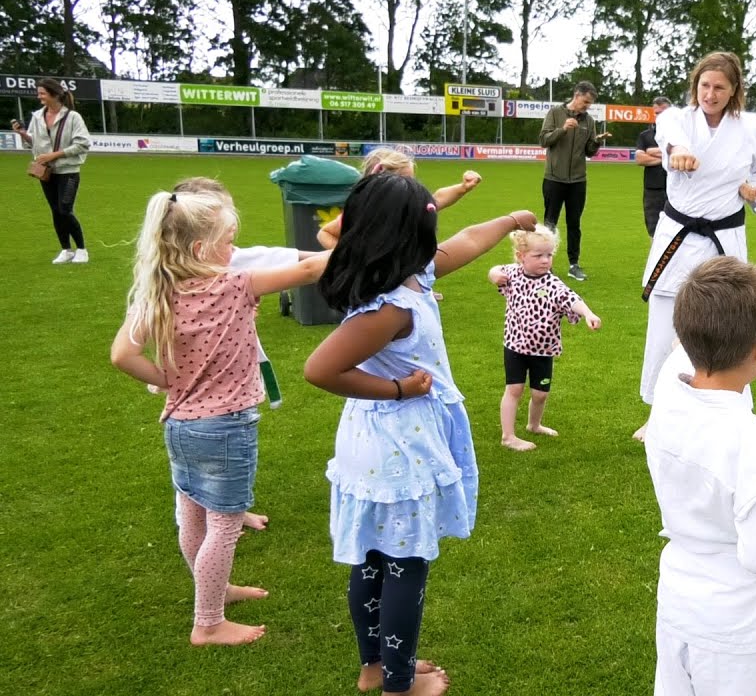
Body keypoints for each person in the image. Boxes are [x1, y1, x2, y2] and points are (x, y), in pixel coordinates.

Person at [304, 173, 537, 695]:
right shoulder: (391, 306)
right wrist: (398, 388)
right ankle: (400, 686)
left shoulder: (408, 276)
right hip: (397, 446)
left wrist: (510, 221)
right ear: (406, 235)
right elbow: (320, 369)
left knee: (372, 557)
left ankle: (374, 668)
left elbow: (467, 241)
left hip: (374, 442)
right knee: (405, 564)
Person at [109, 190, 331, 646]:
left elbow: (122, 355)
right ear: (199, 248)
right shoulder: (235, 283)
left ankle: (214, 589)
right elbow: (310, 269)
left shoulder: (159, 292)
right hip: (227, 428)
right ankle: (208, 622)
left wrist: (166, 380)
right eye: (229, 240)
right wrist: (366, 248)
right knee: (224, 525)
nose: (234, 250)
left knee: (191, 515)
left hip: (180, 425)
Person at [646, 256, 756, 696]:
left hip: (679, 598)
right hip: (739, 622)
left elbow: (684, 352)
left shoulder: (668, 397)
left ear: (683, 334)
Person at [634, 52, 756, 442]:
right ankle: (659, 414)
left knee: (727, 326)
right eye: (704, 85)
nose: (710, 94)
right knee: (665, 329)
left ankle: (730, 410)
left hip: (724, 239)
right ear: (694, 85)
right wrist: (678, 152)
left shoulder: (751, 128)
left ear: (734, 90)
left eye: (719, 87)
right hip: (679, 237)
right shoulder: (676, 120)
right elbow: (670, 139)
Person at [487, 224, 601, 451]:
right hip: (515, 346)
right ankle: (508, 436)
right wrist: (494, 276)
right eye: (538, 255)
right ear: (521, 256)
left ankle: (534, 425)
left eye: (549, 255)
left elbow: (571, 299)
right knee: (514, 389)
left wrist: (588, 313)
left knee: (540, 394)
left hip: (543, 350)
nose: (545, 260)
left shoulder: (552, 284)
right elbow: (494, 269)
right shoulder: (512, 274)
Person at [316, 147, 482, 250]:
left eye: (412, 180)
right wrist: (348, 257)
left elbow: (438, 198)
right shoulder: (362, 213)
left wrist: (462, 188)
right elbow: (325, 233)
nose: (412, 187)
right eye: (406, 181)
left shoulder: (411, 205)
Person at [11, 78, 92, 264]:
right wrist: (23, 134)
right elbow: (35, 142)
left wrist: (53, 155)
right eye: (38, 93)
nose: (39, 97)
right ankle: (66, 249)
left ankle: (81, 249)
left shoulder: (73, 117)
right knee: (55, 211)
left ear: (54, 95)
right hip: (47, 172)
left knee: (65, 209)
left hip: (68, 170)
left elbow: (83, 143)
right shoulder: (37, 116)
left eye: (42, 93)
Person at [539, 81, 611, 281]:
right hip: (554, 178)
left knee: (574, 224)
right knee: (550, 222)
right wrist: (562, 129)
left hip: (578, 181)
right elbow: (544, 140)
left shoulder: (589, 121)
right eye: (586, 102)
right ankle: (546, 264)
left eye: (590, 104)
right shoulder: (555, 113)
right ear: (576, 95)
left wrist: (597, 141)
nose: (587, 106)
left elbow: (589, 151)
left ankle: (574, 264)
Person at [635, 96, 673, 237]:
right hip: (653, 190)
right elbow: (639, 159)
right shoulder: (646, 136)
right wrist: (667, 156)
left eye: (663, 112)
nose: (659, 116)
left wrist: (652, 152)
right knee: (654, 231)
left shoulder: (680, 135)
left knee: (677, 231)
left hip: (675, 189)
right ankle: (657, 259)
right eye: (657, 113)